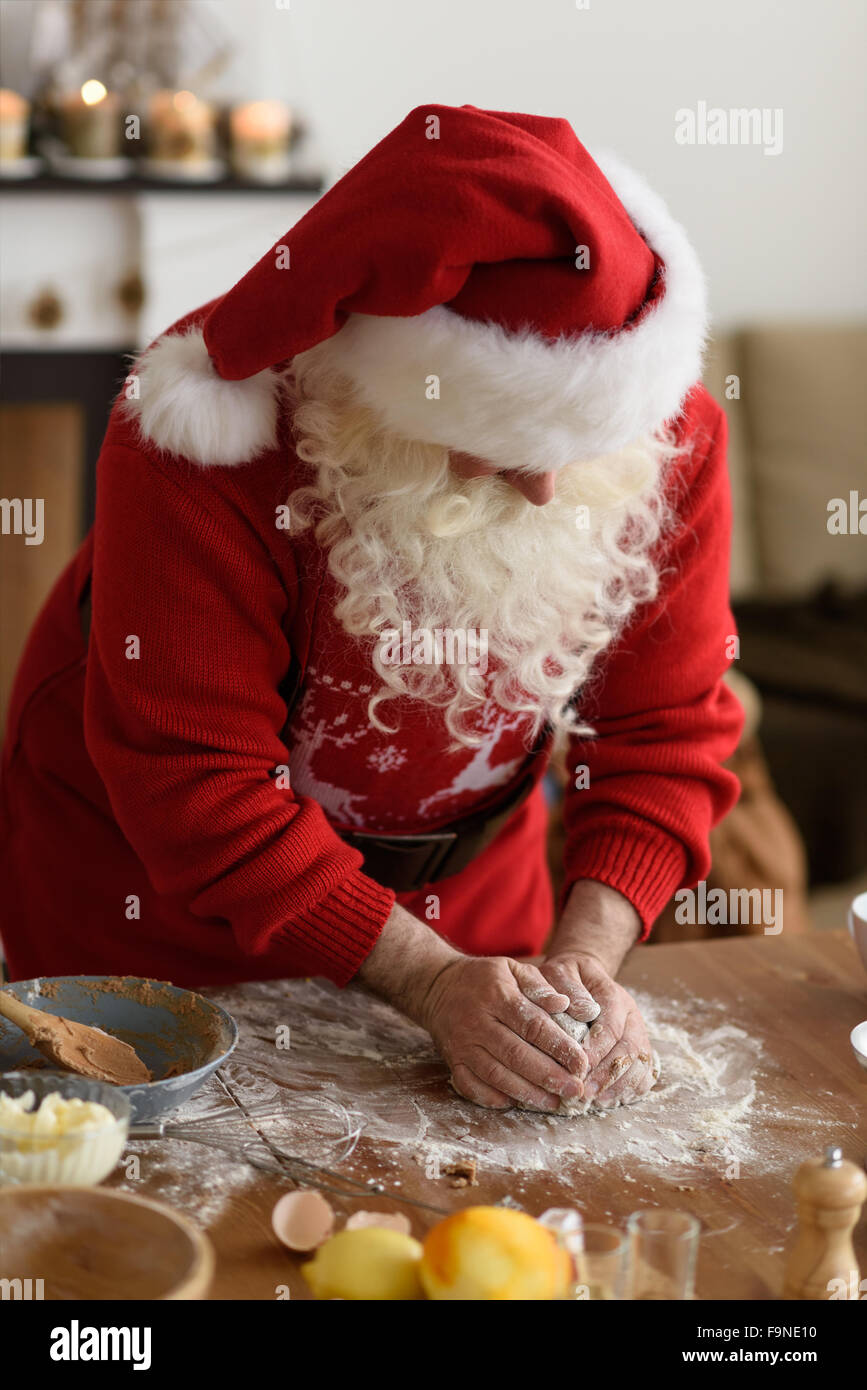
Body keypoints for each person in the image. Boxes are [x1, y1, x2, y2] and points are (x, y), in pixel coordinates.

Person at [0, 105, 742, 1115]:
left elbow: (661, 733)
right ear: (388, 384)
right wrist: (428, 978)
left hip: (476, 900)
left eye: (576, 444)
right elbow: (198, 786)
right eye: (499, 441)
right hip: (157, 912)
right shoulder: (208, 437)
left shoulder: (662, 426)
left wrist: (582, 967)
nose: (543, 490)